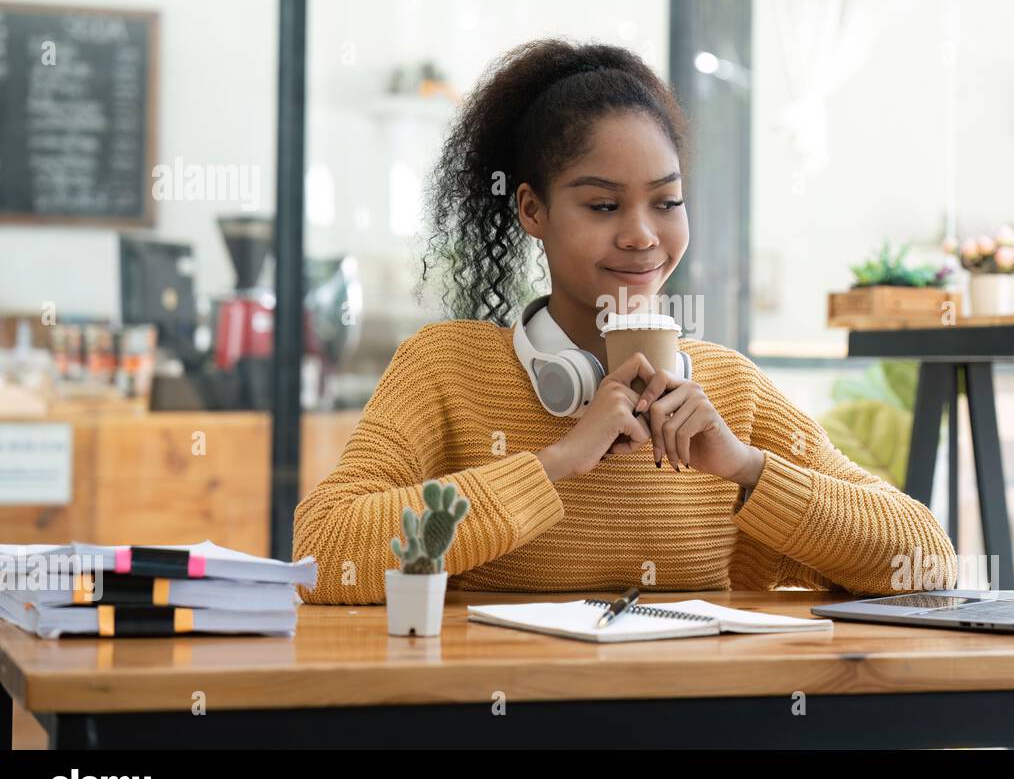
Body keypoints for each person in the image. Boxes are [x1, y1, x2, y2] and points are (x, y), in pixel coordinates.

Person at [293, 38, 957, 604]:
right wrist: (555, 463)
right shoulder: (446, 369)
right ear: (532, 210)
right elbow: (322, 552)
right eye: (603, 206)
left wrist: (749, 468)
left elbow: (927, 561)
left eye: (666, 201)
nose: (643, 235)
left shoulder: (732, 395)